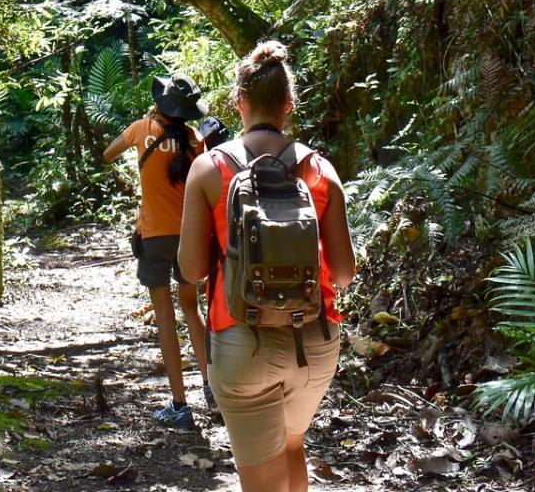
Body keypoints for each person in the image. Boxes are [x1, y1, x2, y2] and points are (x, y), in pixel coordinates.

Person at [179, 40, 356, 492]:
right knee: (292, 446)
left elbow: (192, 269)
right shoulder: (320, 169)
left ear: (239, 102)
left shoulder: (208, 168)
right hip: (314, 341)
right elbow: (343, 274)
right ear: (289, 106)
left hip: (241, 339)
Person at [103, 74, 213, 429]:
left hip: (154, 238)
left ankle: (180, 406)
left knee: (165, 318)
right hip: (190, 238)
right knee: (192, 309)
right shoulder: (196, 140)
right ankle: (212, 388)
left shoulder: (141, 129)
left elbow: (107, 155)